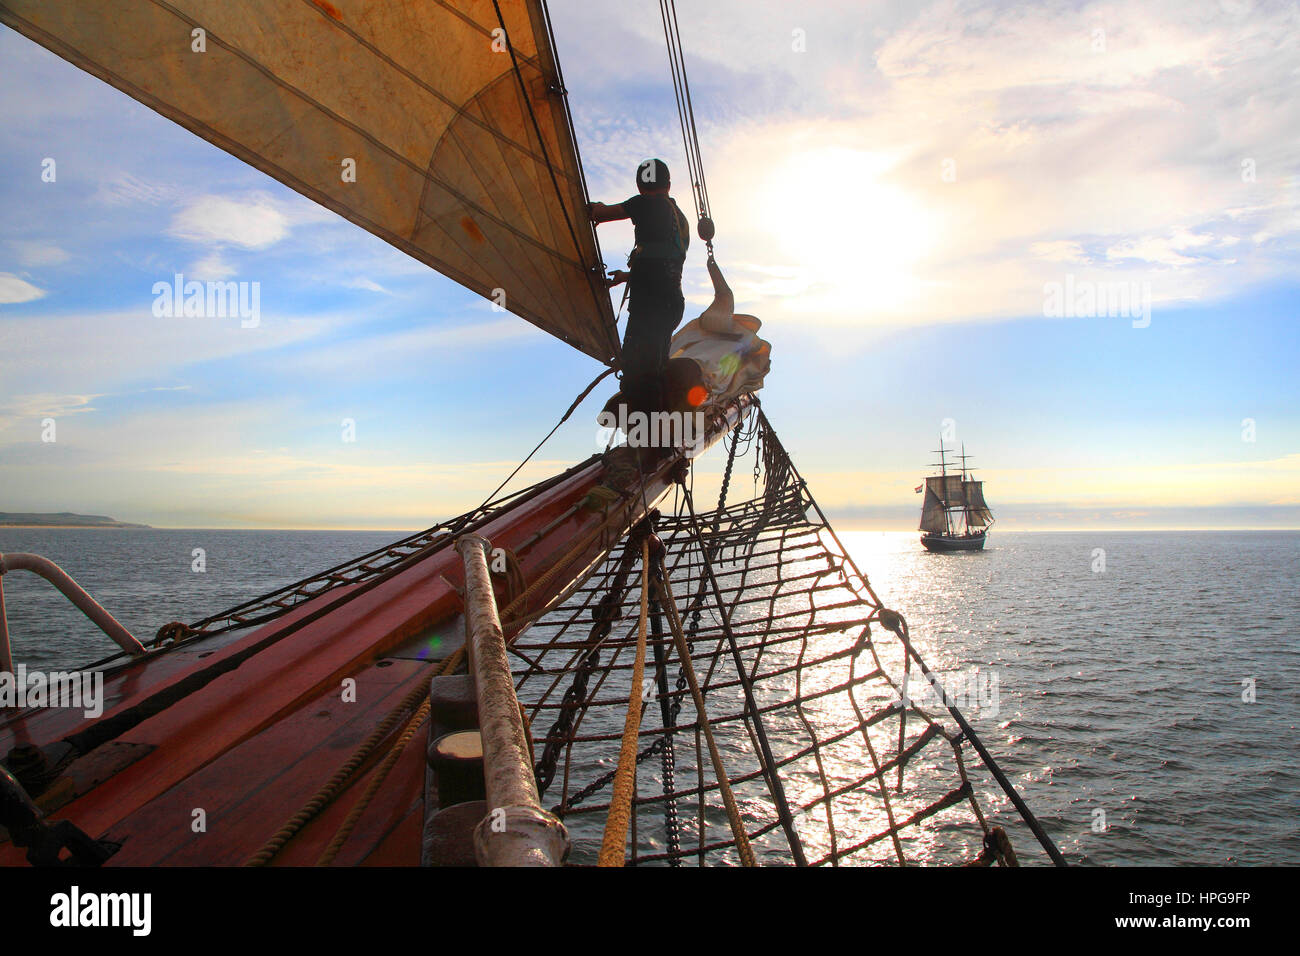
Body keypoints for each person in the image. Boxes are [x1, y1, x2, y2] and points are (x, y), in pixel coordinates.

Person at [588, 158, 690, 413]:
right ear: (668, 184)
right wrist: (627, 276)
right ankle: (658, 436)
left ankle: (649, 441)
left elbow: (600, 213)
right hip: (671, 303)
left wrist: (588, 207)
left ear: (639, 185)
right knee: (654, 370)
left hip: (650, 305)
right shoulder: (680, 219)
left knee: (637, 372)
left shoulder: (644, 203)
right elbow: (664, 263)